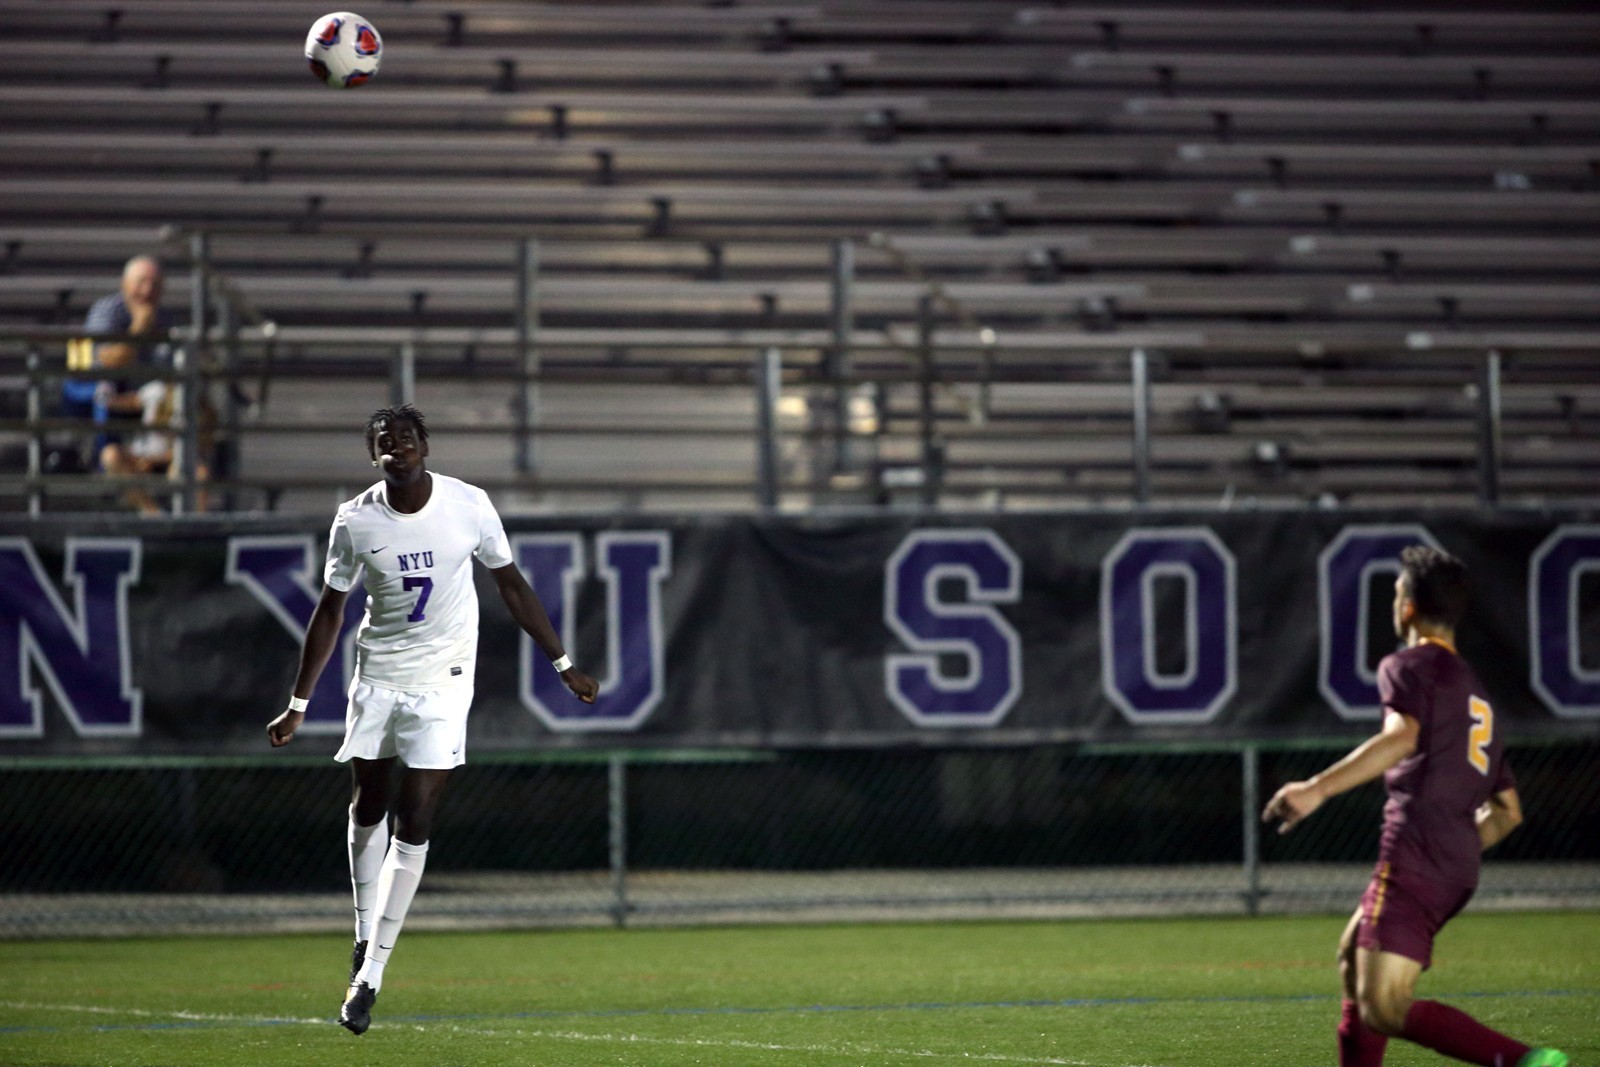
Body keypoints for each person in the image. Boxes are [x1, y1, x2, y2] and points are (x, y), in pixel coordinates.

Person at [264, 404, 598, 1036]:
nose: (397, 445)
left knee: (415, 816)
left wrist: (563, 664)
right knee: (369, 805)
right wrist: (299, 703)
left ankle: (369, 976)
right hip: (379, 675)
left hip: (444, 681)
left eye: (407, 436)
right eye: (384, 440)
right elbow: (331, 609)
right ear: (374, 456)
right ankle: (363, 931)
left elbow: (512, 585)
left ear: (425, 445)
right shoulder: (355, 519)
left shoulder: (469, 504)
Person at [1262, 545, 1567, 1067]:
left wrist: (1315, 788)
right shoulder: (1476, 695)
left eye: (1396, 592)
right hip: (1455, 864)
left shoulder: (1408, 665)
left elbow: (1402, 736)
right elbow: (1508, 812)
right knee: (1352, 960)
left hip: (1417, 854)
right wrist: (1452, 851)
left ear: (1407, 607)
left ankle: (1522, 1061)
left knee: (1384, 1005)